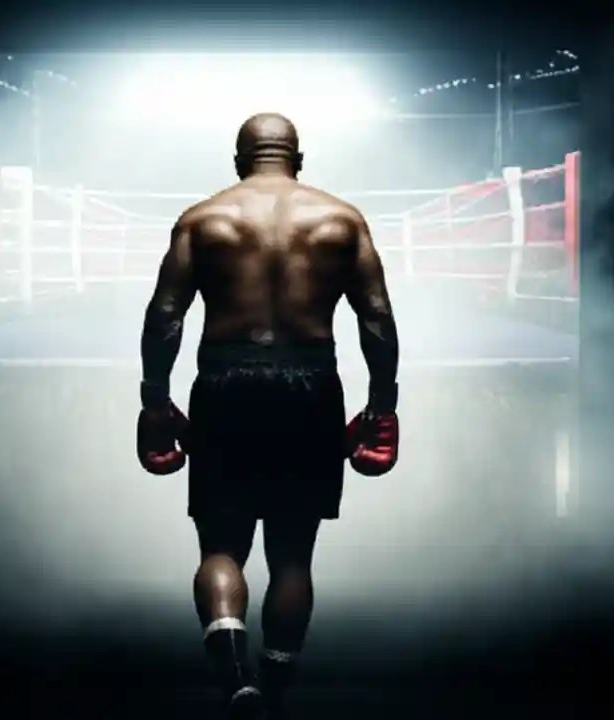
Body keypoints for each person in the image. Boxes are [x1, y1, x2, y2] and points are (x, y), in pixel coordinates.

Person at [136, 112, 400, 719]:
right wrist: (382, 402)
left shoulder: (202, 220)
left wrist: (155, 397)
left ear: (238, 162)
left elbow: (166, 315)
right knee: (292, 554)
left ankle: (235, 682)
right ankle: (275, 692)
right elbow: (377, 317)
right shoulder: (341, 219)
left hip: (226, 383)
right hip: (309, 383)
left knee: (221, 546)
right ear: (298, 160)